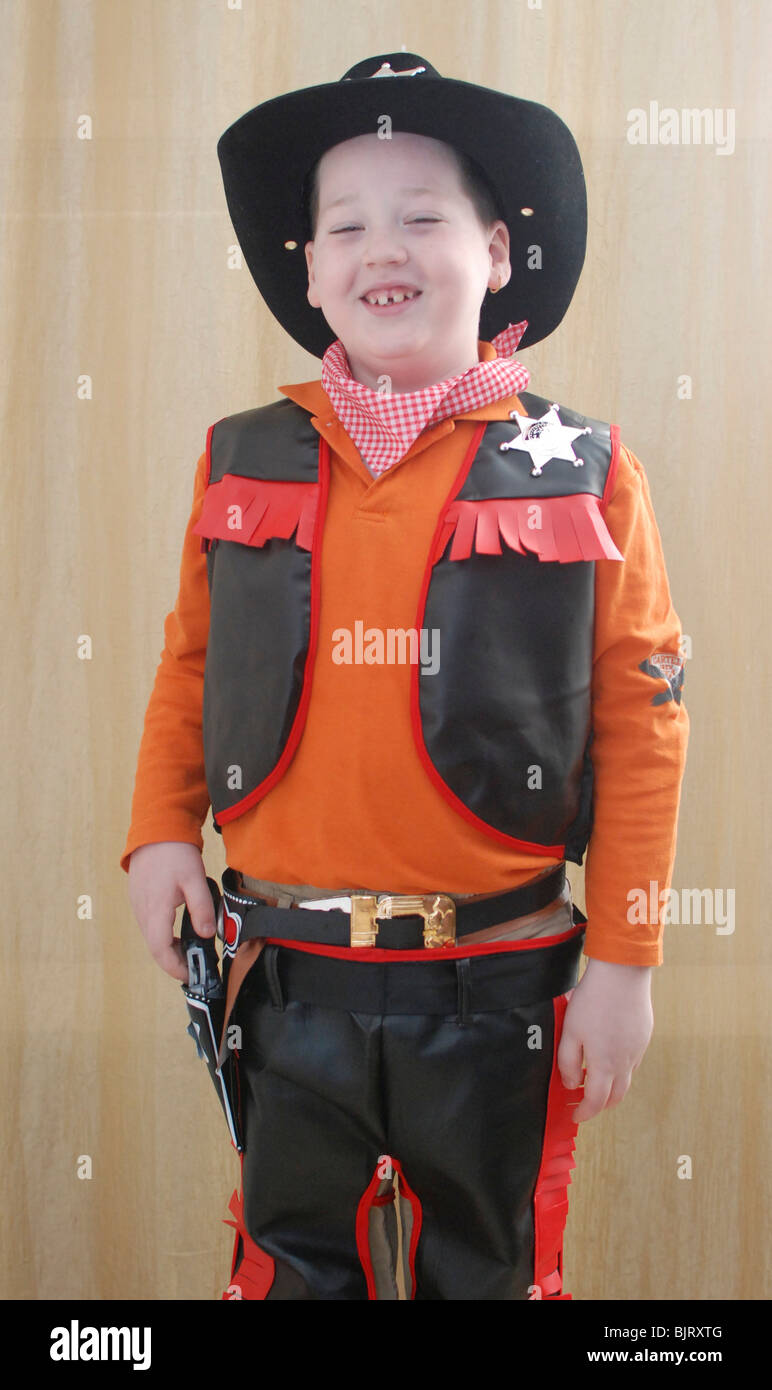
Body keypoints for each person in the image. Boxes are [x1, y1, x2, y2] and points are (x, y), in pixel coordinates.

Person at [122, 52, 689, 1300]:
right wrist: (161, 833)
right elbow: (191, 661)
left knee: (488, 1273)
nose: (384, 245)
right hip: (284, 980)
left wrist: (627, 962)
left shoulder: (585, 469)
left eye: (423, 215)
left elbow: (645, 726)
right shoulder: (241, 458)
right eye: (347, 223)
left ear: (494, 253)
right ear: (310, 269)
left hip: (500, 983)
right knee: (288, 1269)